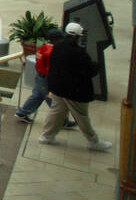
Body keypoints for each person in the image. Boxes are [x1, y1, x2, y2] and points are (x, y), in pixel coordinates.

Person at [41, 22, 112, 150]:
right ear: (77, 37)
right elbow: (89, 71)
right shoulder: (79, 53)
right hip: (74, 91)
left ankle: (47, 136)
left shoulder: (57, 46)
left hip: (57, 87)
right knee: (82, 116)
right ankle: (93, 141)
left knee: (56, 112)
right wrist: (96, 65)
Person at [14, 28, 76, 128]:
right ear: (56, 40)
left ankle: (22, 112)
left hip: (40, 76)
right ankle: (62, 120)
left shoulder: (42, 48)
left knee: (38, 95)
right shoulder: (53, 52)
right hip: (47, 79)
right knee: (53, 100)